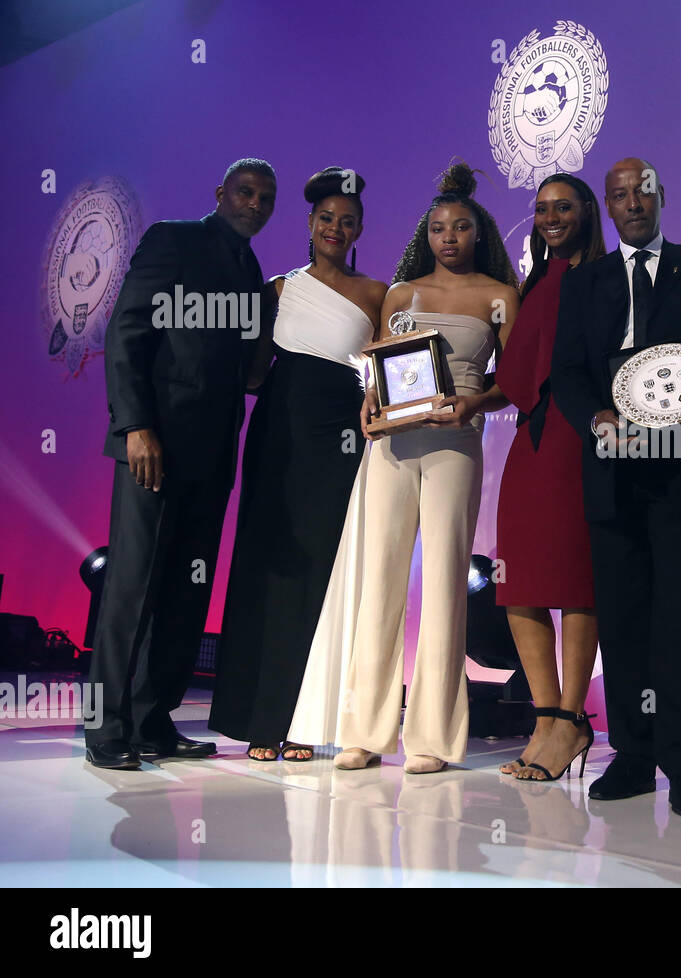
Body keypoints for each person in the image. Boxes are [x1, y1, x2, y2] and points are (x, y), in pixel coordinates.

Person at [294, 163, 518, 775]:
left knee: (446, 584)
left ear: (478, 232)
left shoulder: (500, 296)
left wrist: (476, 403)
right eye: (439, 228)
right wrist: (370, 402)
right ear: (427, 233)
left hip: (455, 443)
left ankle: (433, 739)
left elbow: (514, 380)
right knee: (379, 583)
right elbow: (381, 370)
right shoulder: (399, 294)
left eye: (461, 227)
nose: (449, 237)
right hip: (392, 447)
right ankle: (363, 732)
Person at [550, 158, 681, 817]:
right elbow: (568, 372)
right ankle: (632, 754)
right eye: (620, 194)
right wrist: (597, 418)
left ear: (661, 196)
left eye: (643, 191)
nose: (633, 203)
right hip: (613, 467)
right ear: (609, 204)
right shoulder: (585, 282)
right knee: (623, 618)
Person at [87, 159, 277, 770]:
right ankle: (104, 725)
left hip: (212, 454)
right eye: (245, 193)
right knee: (132, 585)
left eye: (265, 198)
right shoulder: (174, 240)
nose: (255, 205)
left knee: (186, 591)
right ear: (221, 193)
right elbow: (127, 332)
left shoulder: (250, 270)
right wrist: (134, 426)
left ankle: (152, 719)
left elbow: (239, 366)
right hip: (154, 444)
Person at [208, 167, 386, 762]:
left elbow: (386, 371)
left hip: (340, 438)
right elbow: (254, 373)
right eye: (326, 218)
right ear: (309, 223)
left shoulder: (377, 294)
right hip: (278, 433)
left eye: (347, 221)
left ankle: (304, 720)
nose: (336, 228)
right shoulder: (280, 290)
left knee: (320, 572)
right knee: (267, 564)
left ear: (360, 229)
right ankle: (258, 720)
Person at [494, 173, 605, 781]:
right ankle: (545, 719)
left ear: (587, 211)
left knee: (574, 577)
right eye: (541, 209)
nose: (551, 218)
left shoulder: (604, 277)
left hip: (575, 434)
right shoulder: (535, 279)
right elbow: (514, 371)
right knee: (519, 580)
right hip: (530, 437)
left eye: (563, 207)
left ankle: (571, 717)